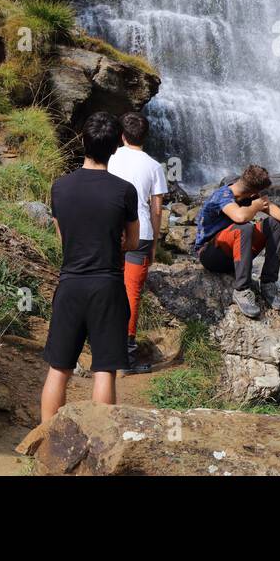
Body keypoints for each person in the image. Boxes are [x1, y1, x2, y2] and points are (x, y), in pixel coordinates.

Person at [41, 112, 139, 422]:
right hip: (107, 287)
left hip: (70, 284)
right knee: (104, 371)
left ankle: (45, 445)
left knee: (58, 370)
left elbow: (63, 236)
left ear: (83, 142)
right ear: (114, 149)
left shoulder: (60, 187)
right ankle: (100, 449)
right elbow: (133, 242)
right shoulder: (124, 191)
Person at [107, 110, 168, 374]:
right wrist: (154, 243)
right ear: (146, 137)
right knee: (131, 294)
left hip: (109, 229)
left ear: (122, 135)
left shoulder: (109, 157)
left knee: (106, 286)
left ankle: (100, 348)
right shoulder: (154, 167)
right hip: (141, 233)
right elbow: (156, 210)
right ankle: (125, 359)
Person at [194, 164, 280, 318]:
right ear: (253, 191)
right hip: (211, 255)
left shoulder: (248, 194)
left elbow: (269, 207)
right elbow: (240, 217)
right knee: (244, 227)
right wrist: (255, 206)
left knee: (275, 224)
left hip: (236, 255)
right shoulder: (222, 195)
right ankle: (242, 290)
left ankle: (268, 283)